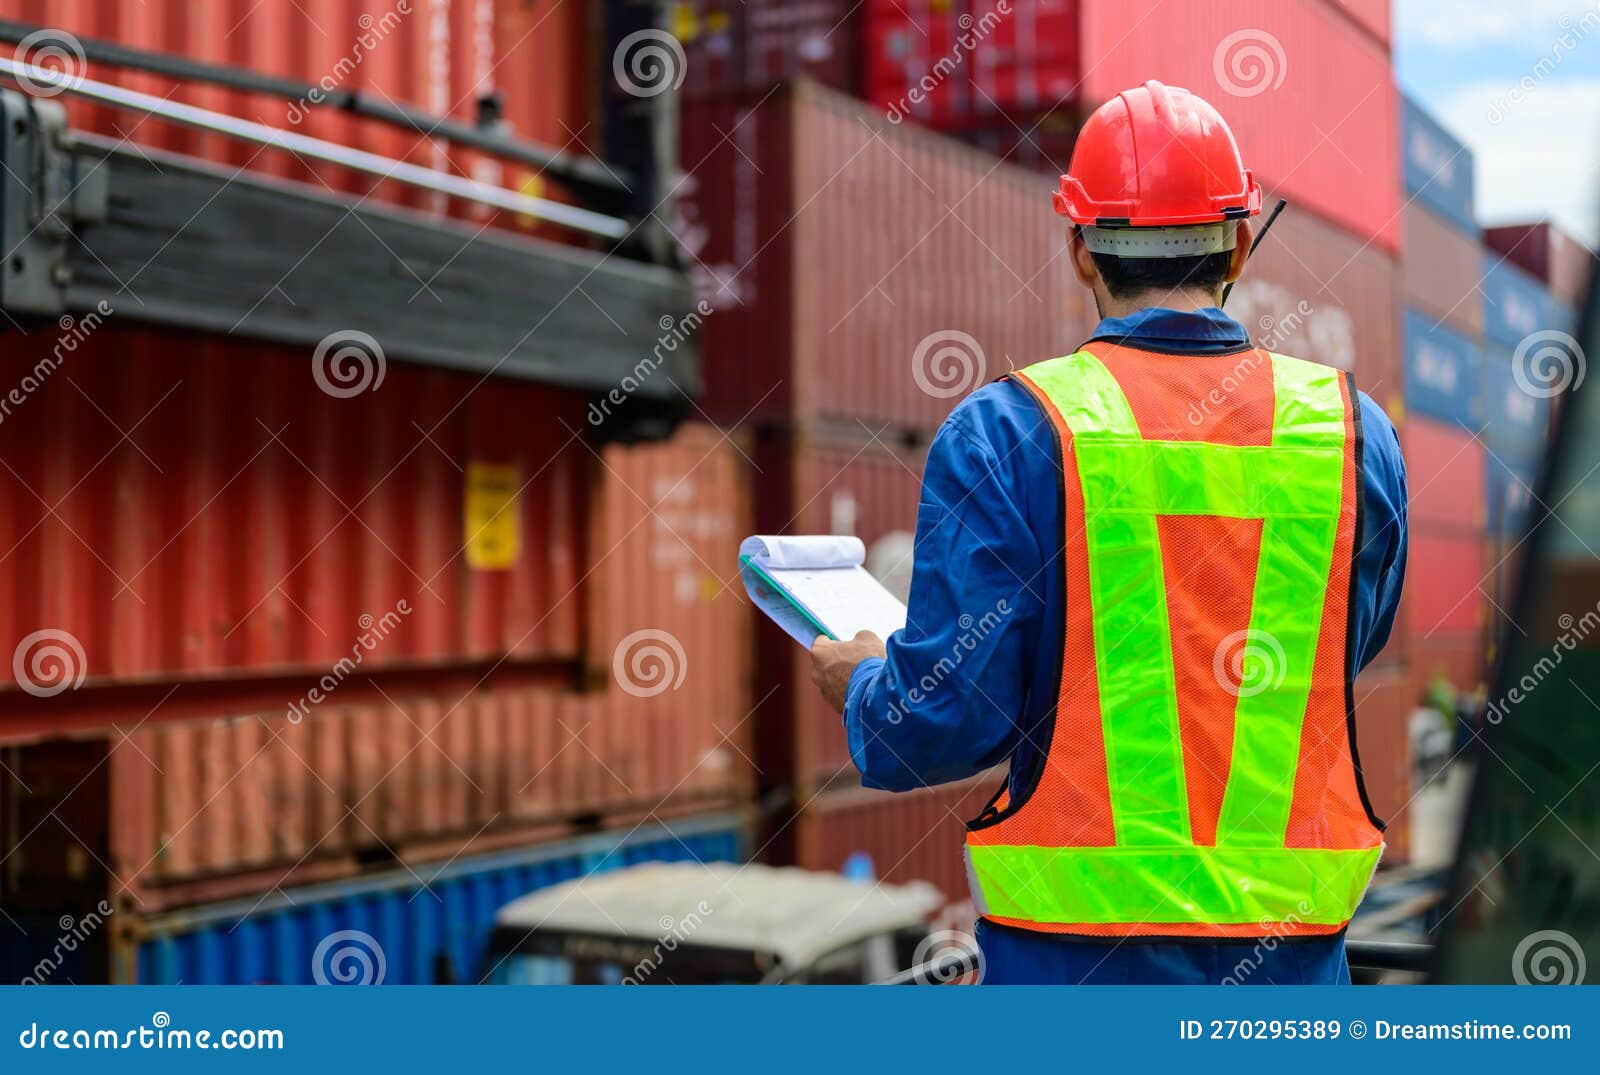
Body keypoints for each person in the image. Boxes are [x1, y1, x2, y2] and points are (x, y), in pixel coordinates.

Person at [809, 81, 1407, 985]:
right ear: (1240, 243)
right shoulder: (1352, 434)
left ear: (1080, 251)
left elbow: (934, 726)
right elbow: (1332, 660)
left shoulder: (1009, 430)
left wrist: (860, 683)